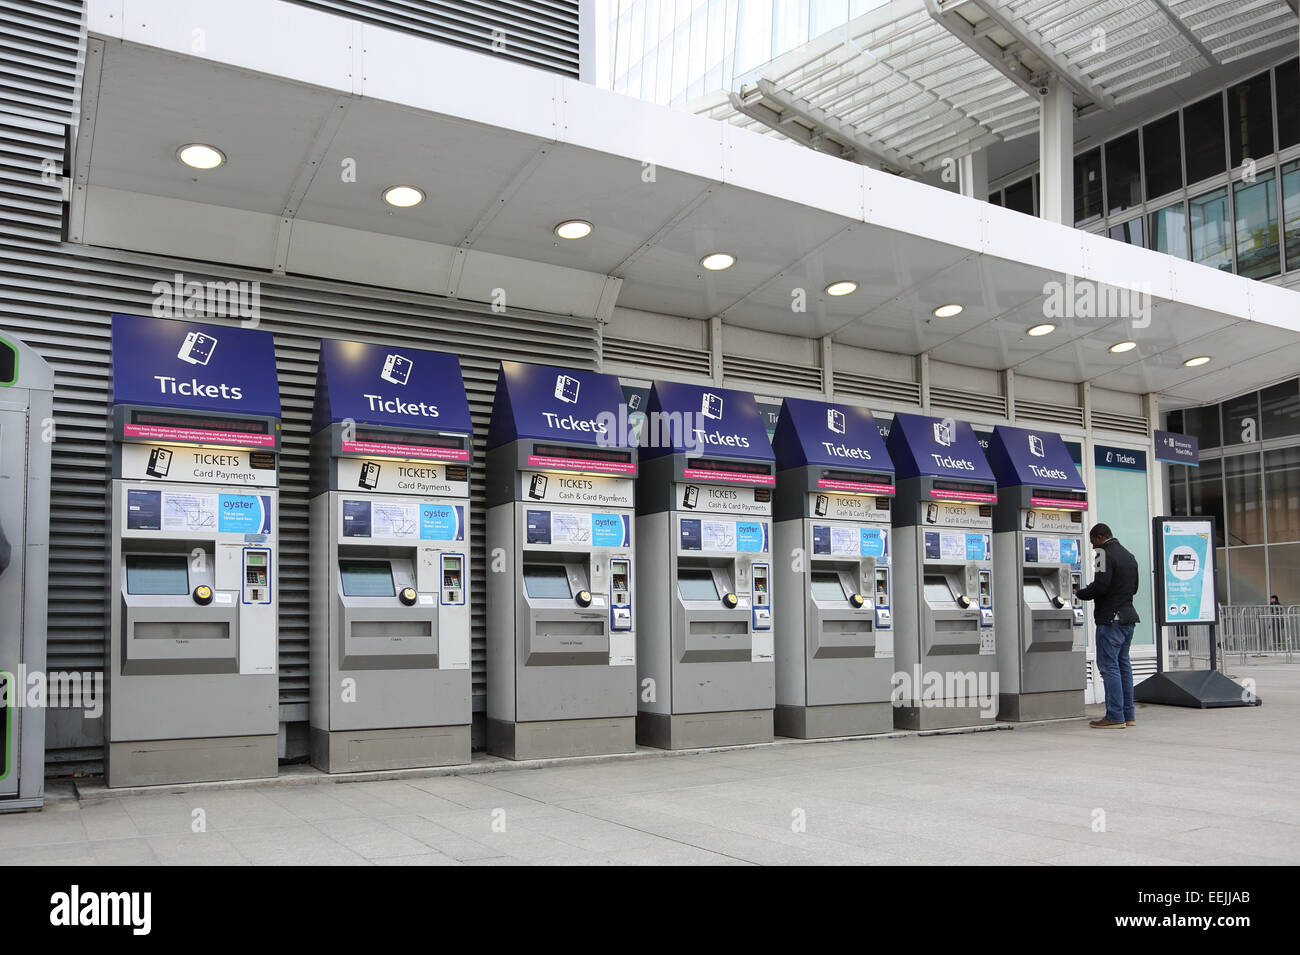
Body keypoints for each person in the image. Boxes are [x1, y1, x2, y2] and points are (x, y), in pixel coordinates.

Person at [1076, 523, 1140, 729]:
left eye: (1093, 541)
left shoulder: (1103, 554)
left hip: (1111, 619)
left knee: (1109, 666)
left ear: (1099, 537)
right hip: (1128, 617)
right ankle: (1128, 715)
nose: (1092, 546)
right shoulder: (1129, 555)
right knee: (1123, 666)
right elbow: (1135, 588)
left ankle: (1114, 716)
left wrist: (1080, 593)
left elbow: (1101, 585)